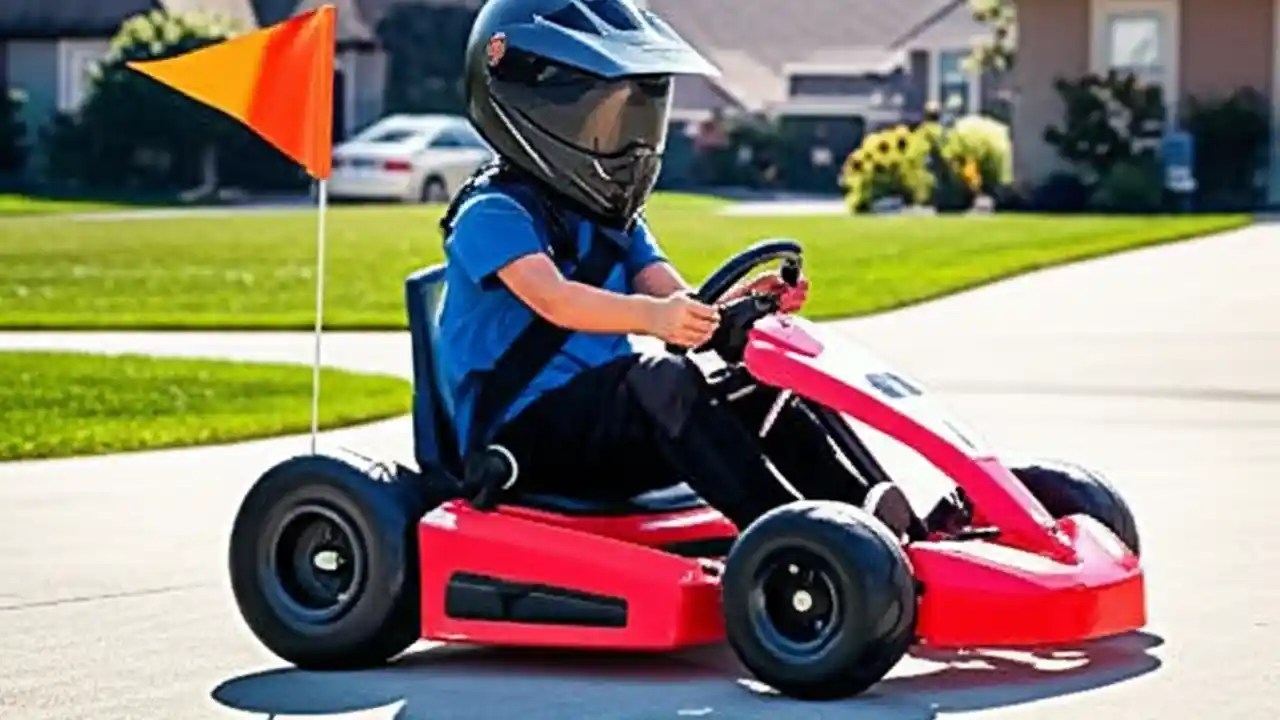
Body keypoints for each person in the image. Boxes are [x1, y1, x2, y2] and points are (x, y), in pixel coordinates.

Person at [437, 0, 948, 536]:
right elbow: (555, 299)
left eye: (635, 119)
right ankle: (790, 536)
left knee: (758, 385)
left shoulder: (613, 221)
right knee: (661, 380)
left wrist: (741, 306)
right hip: (522, 441)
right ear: (539, 112)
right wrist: (654, 318)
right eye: (607, 120)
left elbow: (676, 294)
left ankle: (873, 516)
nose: (628, 141)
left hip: (612, 429)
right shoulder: (492, 212)